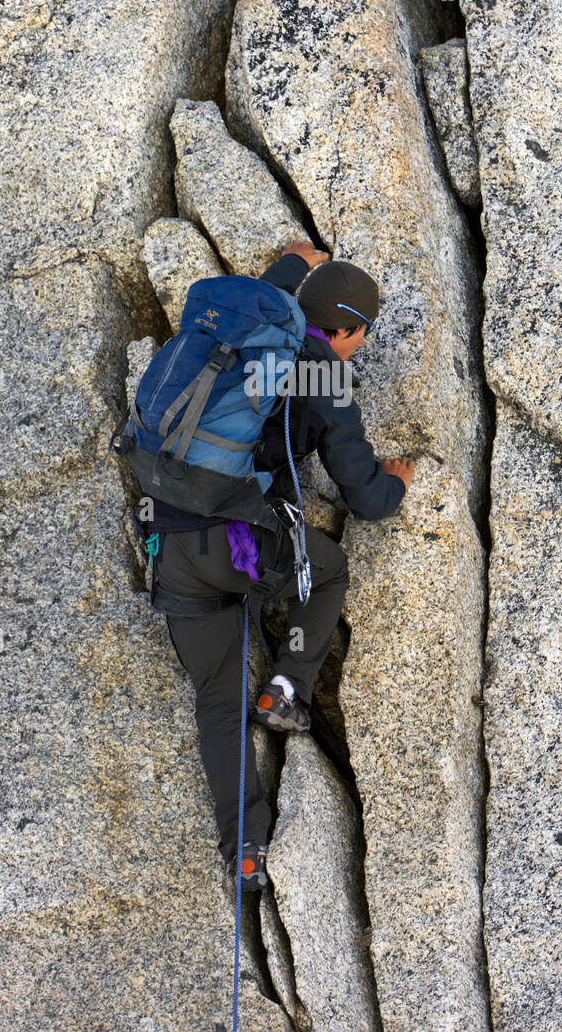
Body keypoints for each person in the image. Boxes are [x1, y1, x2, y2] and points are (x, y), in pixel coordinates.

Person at [149, 240, 414, 889]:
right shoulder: (326, 376)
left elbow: (260, 296)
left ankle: (244, 849)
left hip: (174, 543)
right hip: (243, 549)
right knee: (326, 570)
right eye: (361, 335)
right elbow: (368, 500)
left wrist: (294, 262)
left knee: (216, 700)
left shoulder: (244, 342)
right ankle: (287, 688)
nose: (358, 346)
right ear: (347, 330)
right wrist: (398, 480)